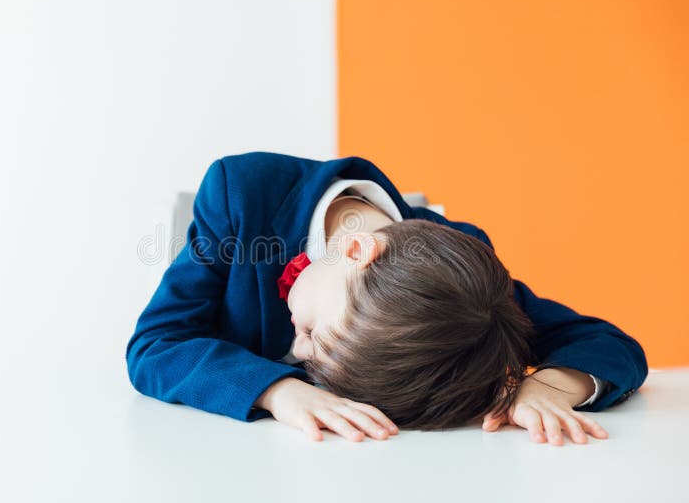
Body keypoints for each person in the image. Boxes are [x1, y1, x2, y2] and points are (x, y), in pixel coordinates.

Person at [125, 151, 648, 445]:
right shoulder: (242, 197)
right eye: (313, 333)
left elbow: (607, 344)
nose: (300, 351)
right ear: (355, 249)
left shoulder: (460, 289)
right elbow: (157, 343)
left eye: (309, 338)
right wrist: (277, 390)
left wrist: (547, 388)